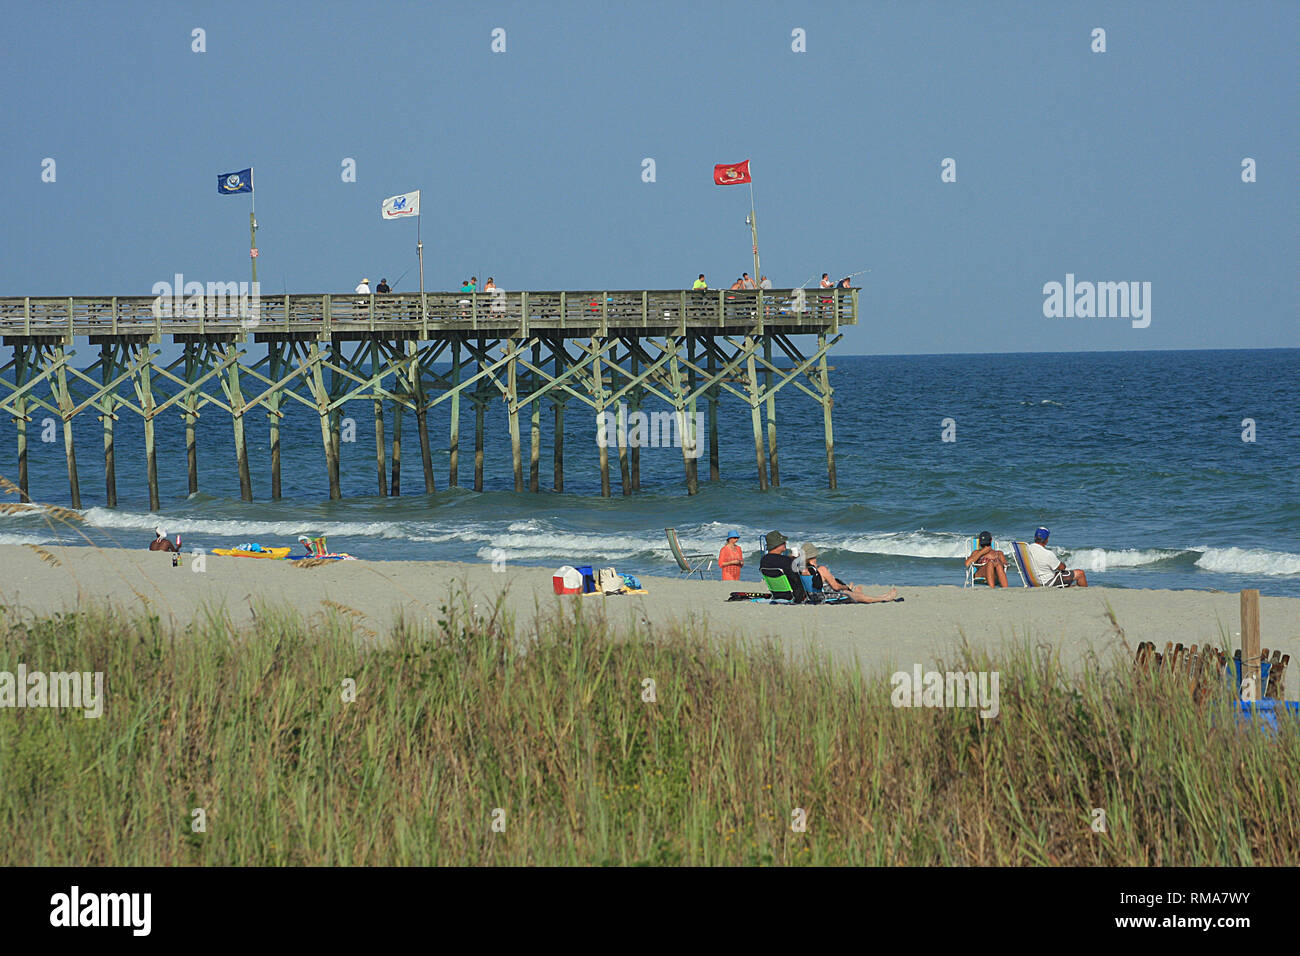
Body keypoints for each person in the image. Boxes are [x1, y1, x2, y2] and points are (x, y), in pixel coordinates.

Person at [802, 544, 900, 604]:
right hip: (829, 596)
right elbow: (836, 587)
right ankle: (882, 598)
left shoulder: (801, 570)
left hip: (815, 597)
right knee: (854, 595)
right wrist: (844, 587)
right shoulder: (821, 569)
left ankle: (878, 595)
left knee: (853, 593)